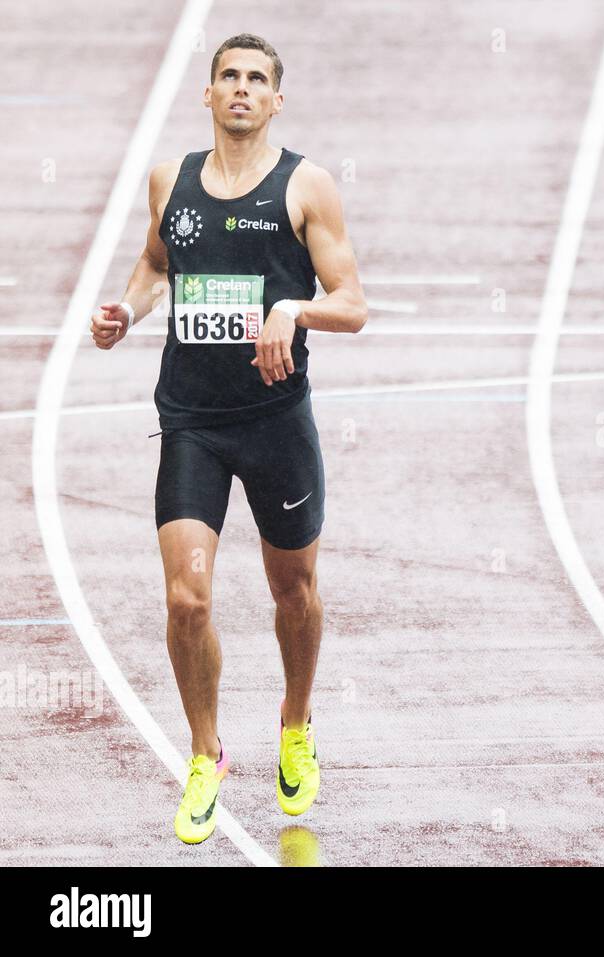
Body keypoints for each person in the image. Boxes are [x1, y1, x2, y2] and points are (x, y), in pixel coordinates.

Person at [89, 33, 367, 844]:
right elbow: (152, 264)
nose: (241, 88)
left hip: (276, 423)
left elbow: (352, 300)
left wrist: (295, 309)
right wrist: (126, 311)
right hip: (193, 423)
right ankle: (206, 752)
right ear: (207, 95)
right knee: (187, 597)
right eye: (228, 77)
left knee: (295, 594)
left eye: (257, 79)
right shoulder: (169, 180)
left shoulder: (305, 186)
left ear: (275, 100)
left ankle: (295, 720)